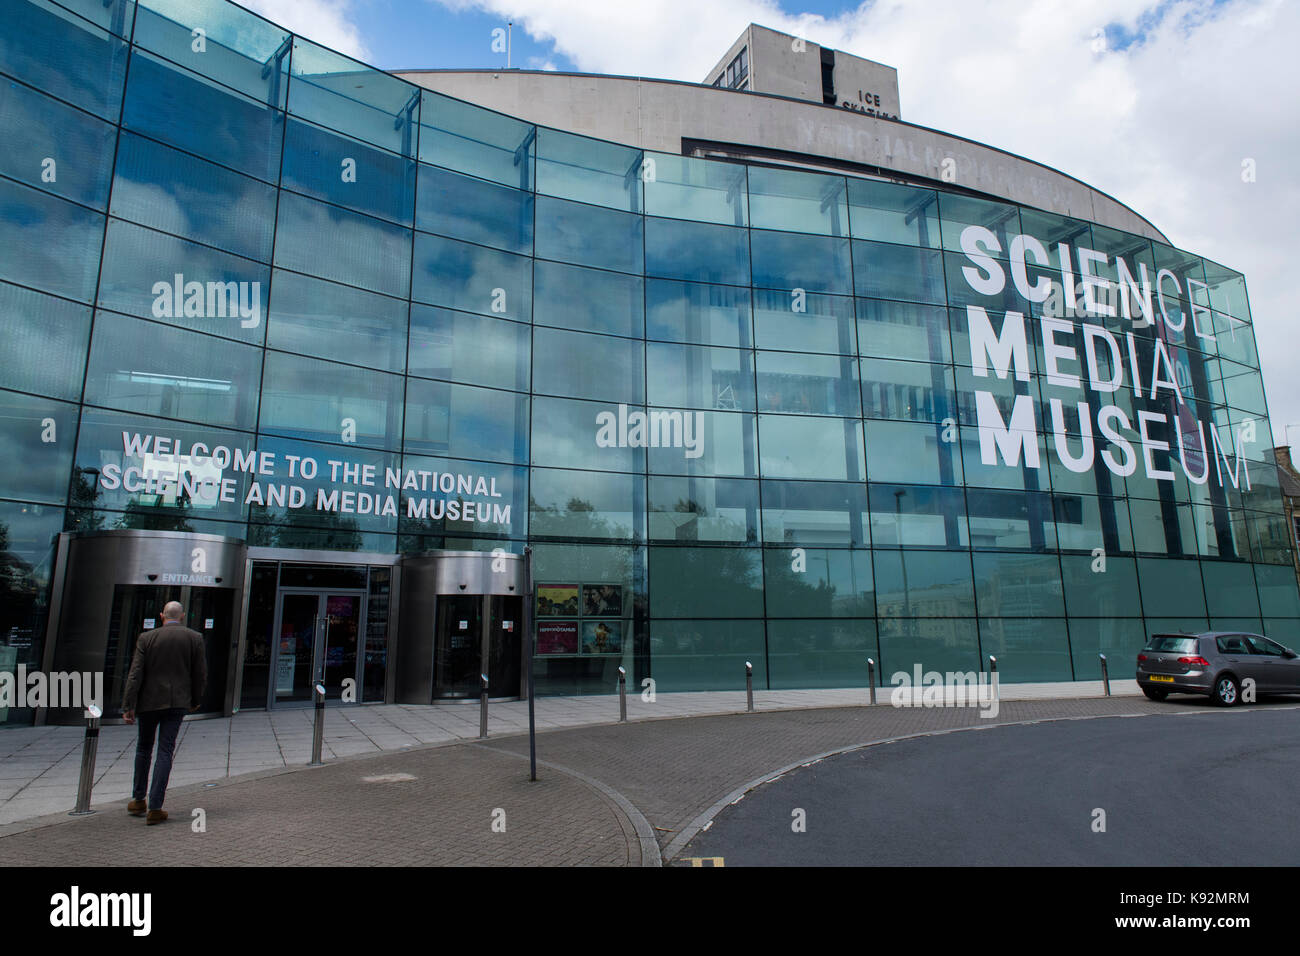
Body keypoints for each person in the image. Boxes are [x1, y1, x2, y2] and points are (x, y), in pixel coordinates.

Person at [121, 601, 207, 825]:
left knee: (143, 747)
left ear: (161, 616)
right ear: (183, 616)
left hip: (148, 702)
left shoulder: (146, 639)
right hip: (177, 702)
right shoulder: (194, 638)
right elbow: (200, 674)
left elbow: (135, 673)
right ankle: (156, 806)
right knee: (165, 750)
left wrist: (128, 704)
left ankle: (139, 798)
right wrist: (195, 701)